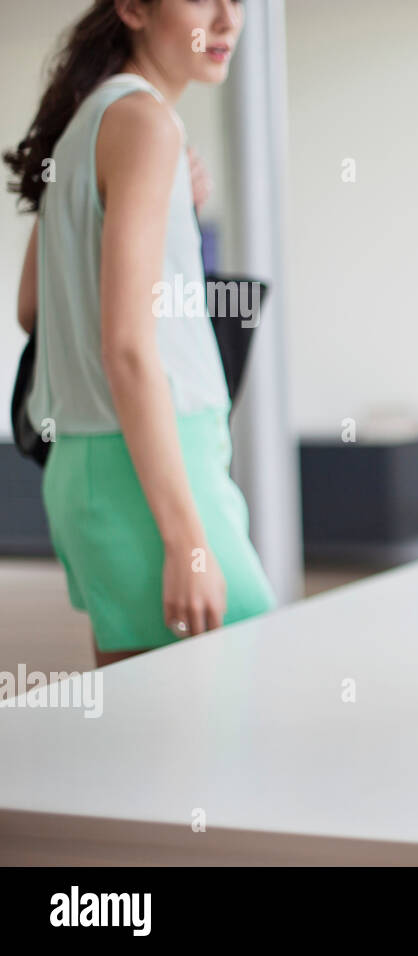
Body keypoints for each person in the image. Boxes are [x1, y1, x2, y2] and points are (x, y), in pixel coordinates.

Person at [5, 0, 274, 669]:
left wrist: (170, 206)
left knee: (155, 741)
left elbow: (33, 306)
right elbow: (126, 347)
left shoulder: (90, 123)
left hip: (95, 468)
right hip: (148, 465)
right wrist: (186, 540)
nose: (226, 20)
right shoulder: (146, 124)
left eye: (237, 1)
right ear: (132, 8)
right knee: (234, 712)